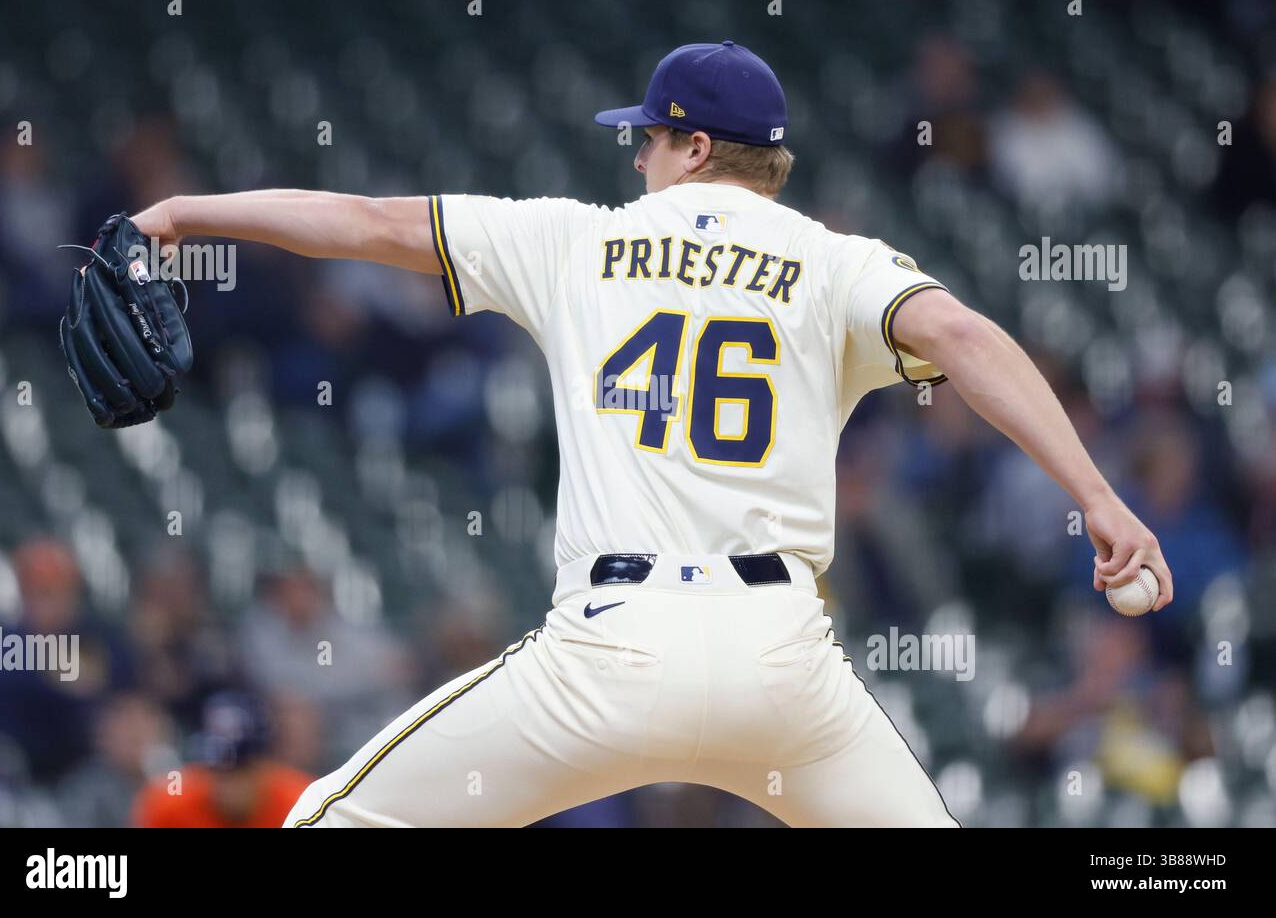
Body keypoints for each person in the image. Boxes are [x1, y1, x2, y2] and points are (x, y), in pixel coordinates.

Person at [124, 41, 1172, 827]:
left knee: (329, 823)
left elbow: (369, 221)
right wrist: (1097, 496)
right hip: (782, 670)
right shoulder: (835, 260)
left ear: (694, 148)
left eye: (647, 138)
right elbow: (958, 331)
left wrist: (183, 213)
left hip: (608, 657)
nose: (636, 157)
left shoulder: (578, 238)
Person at [132, 690, 311, 828]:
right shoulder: (168, 806)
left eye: (241, 770)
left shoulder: (302, 805)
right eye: (221, 771)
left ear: (264, 765)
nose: (231, 785)